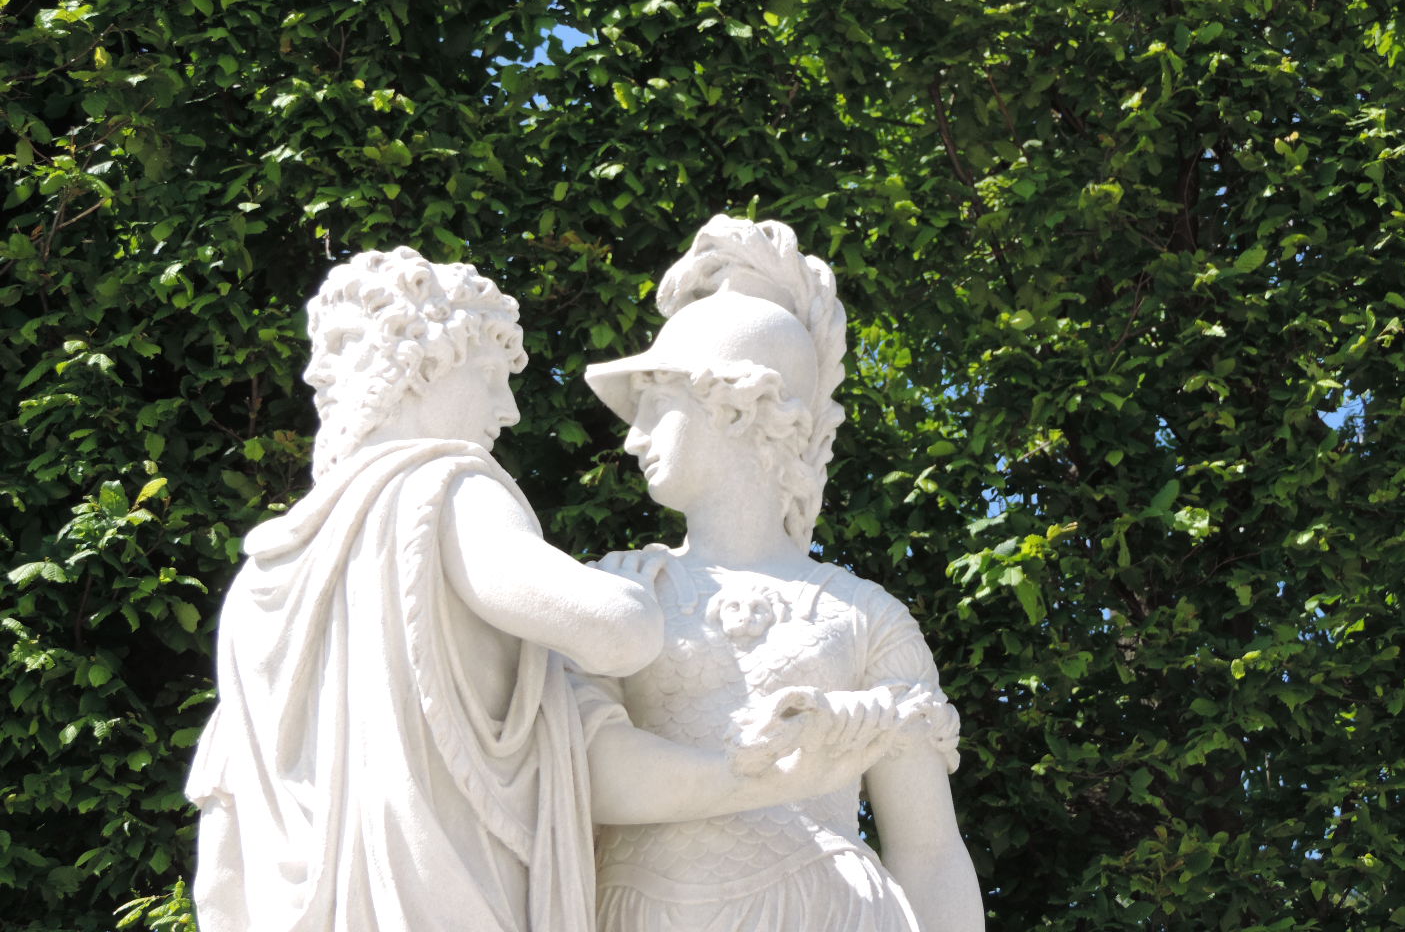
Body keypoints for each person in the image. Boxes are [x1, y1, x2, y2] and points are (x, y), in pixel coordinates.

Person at [185, 247, 664, 932]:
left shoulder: (264, 577)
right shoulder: (444, 492)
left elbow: (223, 862)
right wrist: (635, 591)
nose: (508, 412)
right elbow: (616, 632)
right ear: (420, 368)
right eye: (492, 377)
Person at [577, 217, 985, 932]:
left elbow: (928, 851)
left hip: (830, 911)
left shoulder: (866, 616)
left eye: (656, 411)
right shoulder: (622, 589)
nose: (633, 438)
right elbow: (593, 774)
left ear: (739, 409)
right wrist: (759, 771)